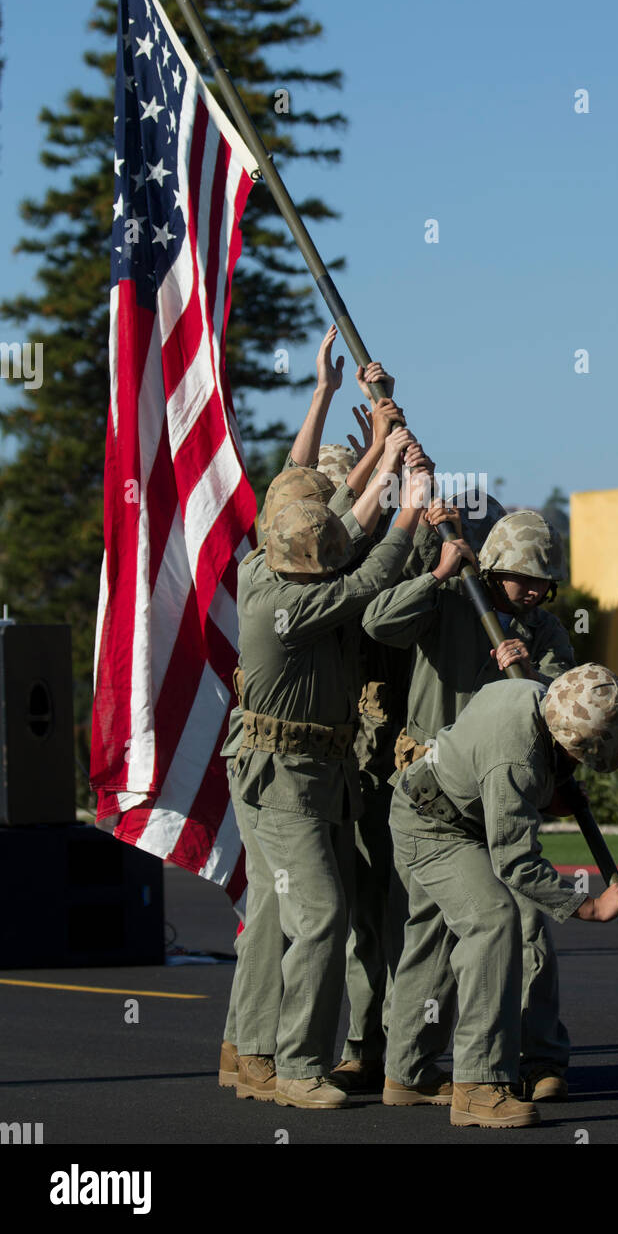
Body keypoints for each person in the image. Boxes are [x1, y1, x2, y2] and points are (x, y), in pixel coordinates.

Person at [230, 425, 432, 1110]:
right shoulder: (297, 605)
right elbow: (369, 573)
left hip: (279, 765)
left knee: (269, 909)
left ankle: (250, 1050)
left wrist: (381, 454)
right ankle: (298, 1066)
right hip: (289, 775)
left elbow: (337, 521)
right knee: (321, 915)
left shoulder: (260, 568)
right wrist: (412, 503)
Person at [363, 506, 577, 1100]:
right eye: (521, 579)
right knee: (428, 931)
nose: (532, 591)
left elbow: (563, 711)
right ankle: (409, 1067)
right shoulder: (453, 599)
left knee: (528, 921)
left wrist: (525, 668)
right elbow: (380, 623)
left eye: (542, 582)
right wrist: (436, 574)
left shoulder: (546, 632)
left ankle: (540, 1058)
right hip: (434, 794)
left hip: (501, 795)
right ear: (493, 567)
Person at [384, 664, 618, 1128]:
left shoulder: (531, 692)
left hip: (444, 806)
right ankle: (479, 1085)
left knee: (435, 941)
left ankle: (409, 1072)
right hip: (437, 828)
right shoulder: (516, 760)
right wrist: (590, 906)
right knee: (493, 920)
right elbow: (516, 862)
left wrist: (553, 780)